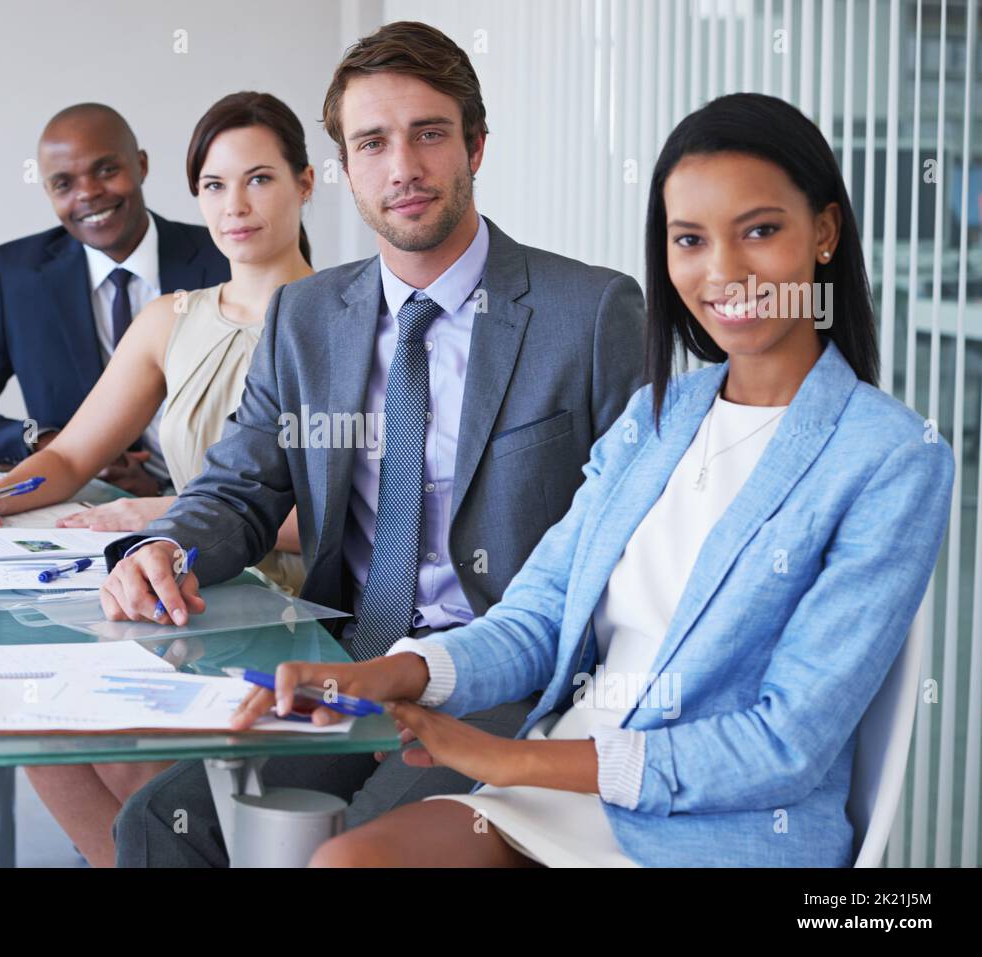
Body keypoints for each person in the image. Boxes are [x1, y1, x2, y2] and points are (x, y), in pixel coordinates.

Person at [229, 93, 955, 868]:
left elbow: (784, 742)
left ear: (825, 233)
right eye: (689, 239)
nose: (723, 271)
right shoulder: (658, 417)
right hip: (564, 784)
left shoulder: (890, 455)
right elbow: (538, 618)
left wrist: (508, 760)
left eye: (761, 231)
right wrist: (381, 675)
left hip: (717, 826)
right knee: (346, 862)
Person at [103, 20, 646, 867]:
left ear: (475, 146)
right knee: (156, 825)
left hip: (503, 685)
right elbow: (241, 486)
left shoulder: (592, 313)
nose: (404, 167)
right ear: (345, 168)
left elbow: (635, 545)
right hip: (345, 667)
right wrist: (166, 543)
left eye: (429, 134)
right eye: (373, 142)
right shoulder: (307, 316)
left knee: (356, 847)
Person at [0, 92, 315, 866]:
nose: (234, 206)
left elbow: (343, 516)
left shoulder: (345, 320)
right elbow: (73, 456)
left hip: (293, 606)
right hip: (180, 592)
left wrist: (160, 507)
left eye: (259, 179)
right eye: (214, 186)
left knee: (109, 733)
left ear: (305, 184)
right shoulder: (172, 318)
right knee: (27, 709)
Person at [0, 103, 230, 493]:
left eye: (106, 170)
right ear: (48, 191)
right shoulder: (18, 278)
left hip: (217, 506)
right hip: (84, 511)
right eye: (63, 184)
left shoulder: (226, 258)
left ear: (141, 165)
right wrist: (44, 439)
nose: (89, 194)